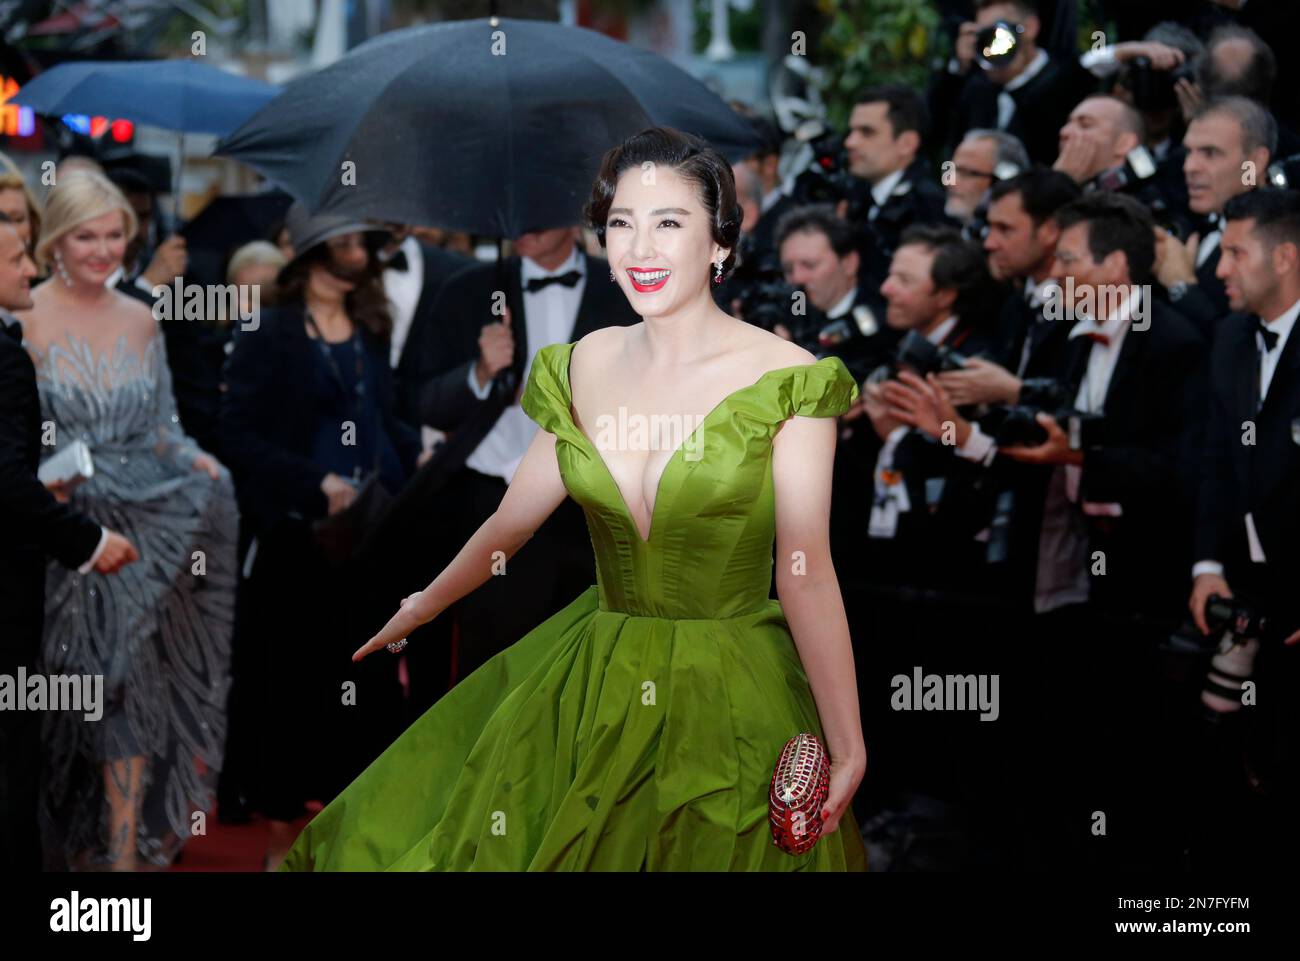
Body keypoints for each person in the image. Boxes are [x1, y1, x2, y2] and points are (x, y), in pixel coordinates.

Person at [279, 126, 869, 871]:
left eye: (668, 223)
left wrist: (848, 743)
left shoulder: (791, 378)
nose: (639, 247)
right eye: (621, 223)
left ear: (719, 243)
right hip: (598, 676)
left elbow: (805, 567)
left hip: (733, 686)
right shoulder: (585, 362)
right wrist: (426, 602)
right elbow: (513, 520)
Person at [16, 171, 237, 870]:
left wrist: (201, 464)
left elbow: (163, 429)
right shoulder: (18, 316)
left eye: (116, 235)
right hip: (58, 534)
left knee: (130, 688)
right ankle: (62, 845)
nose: (105, 250)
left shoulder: (142, 316)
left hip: (142, 532)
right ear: (54, 239)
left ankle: (122, 857)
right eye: (87, 235)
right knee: (61, 700)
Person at [219, 204, 421, 870]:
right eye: (346, 240)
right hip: (294, 549)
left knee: (362, 698)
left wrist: (408, 473)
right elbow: (237, 436)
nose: (359, 251)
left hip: (366, 550)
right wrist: (316, 481)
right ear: (312, 250)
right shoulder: (269, 331)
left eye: (363, 240)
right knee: (286, 698)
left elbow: (387, 420)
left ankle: (346, 845)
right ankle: (280, 850)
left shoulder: (371, 327)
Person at [0, 211, 139, 871]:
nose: (30, 269)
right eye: (17, 258)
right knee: (12, 750)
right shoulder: (5, 357)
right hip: (12, 584)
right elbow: (3, 481)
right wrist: (88, 540)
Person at [1188, 187, 1300, 867]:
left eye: (1235, 252)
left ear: (1285, 256)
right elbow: (1215, 462)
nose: (1220, 268)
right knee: (1231, 766)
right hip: (1244, 590)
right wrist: (1205, 564)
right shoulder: (1230, 336)